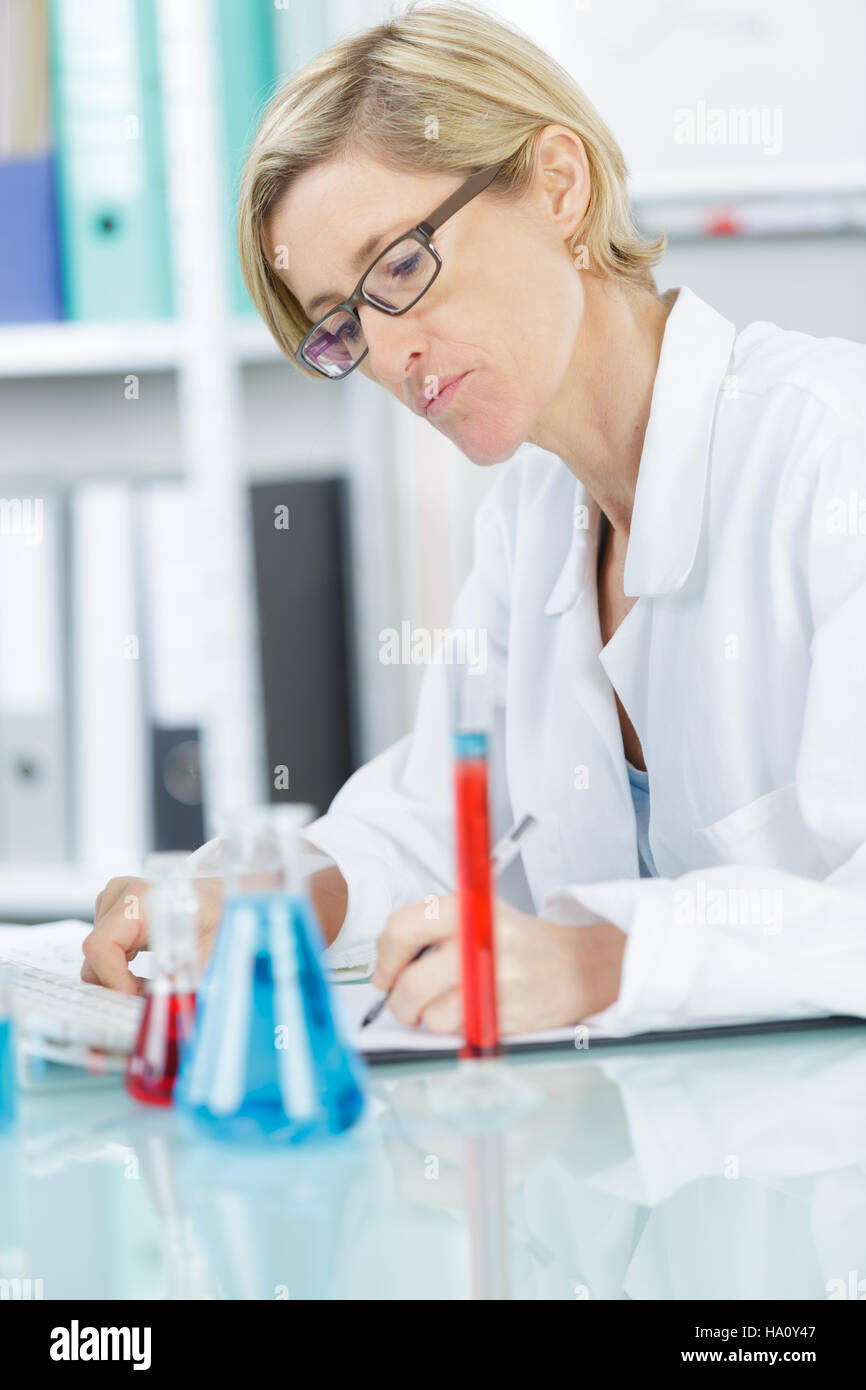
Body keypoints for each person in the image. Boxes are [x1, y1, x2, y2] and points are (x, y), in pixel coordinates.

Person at [83, 1, 866, 1038]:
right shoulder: (535, 520)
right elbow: (434, 823)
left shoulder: (828, 451)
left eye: (399, 268)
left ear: (556, 184)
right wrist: (269, 897)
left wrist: (604, 960)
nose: (388, 353)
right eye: (339, 324)